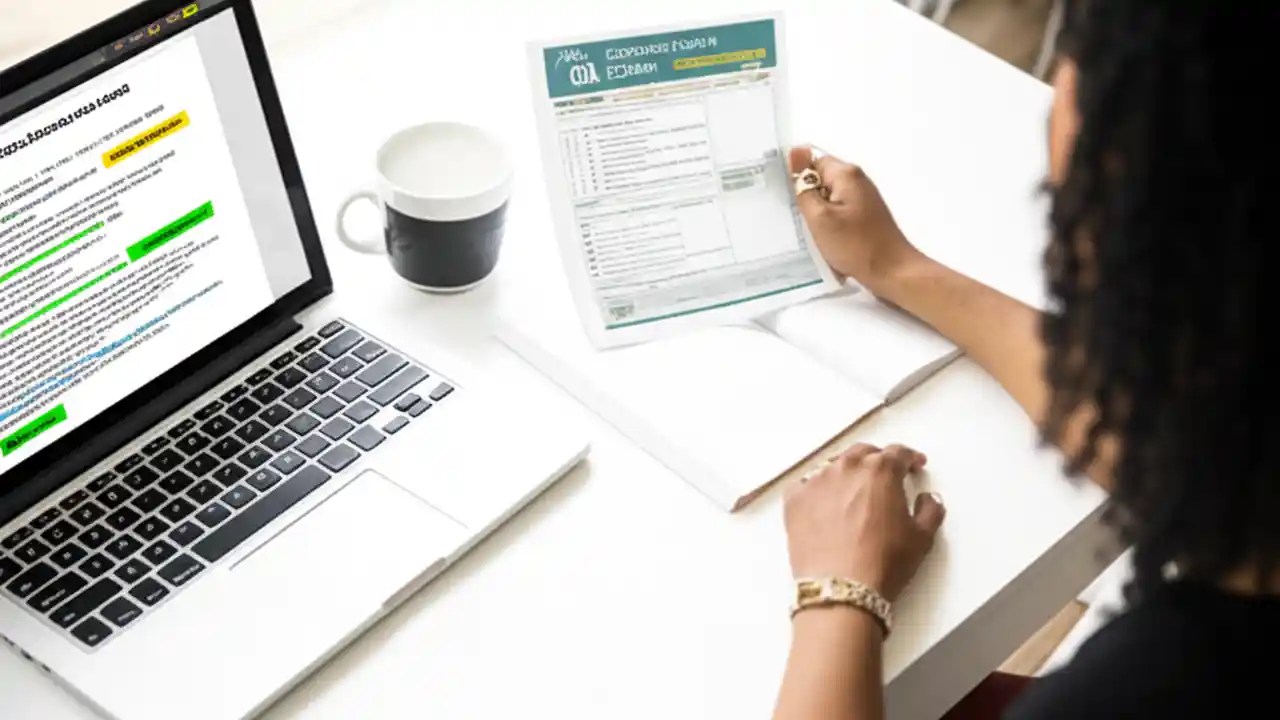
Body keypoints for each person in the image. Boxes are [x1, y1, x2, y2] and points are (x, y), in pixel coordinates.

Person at [771, 2, 1277, 718]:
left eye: (1079, 216)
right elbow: (1189, 446)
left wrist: (838, 596)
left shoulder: (1154, 684)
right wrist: (898, 268)